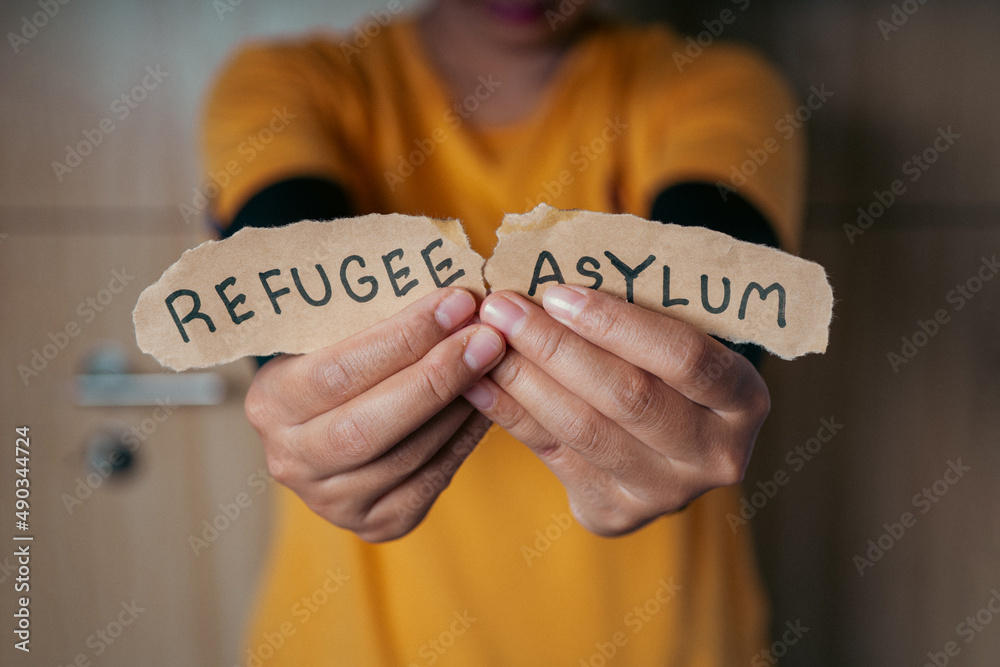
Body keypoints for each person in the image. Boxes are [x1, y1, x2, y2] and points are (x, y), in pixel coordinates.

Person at [202, 0, 804, 664]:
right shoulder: (289, 82)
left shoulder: (716, 83)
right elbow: (290, 320)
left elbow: (718, 321)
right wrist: (299, 389)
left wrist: (704, 386)